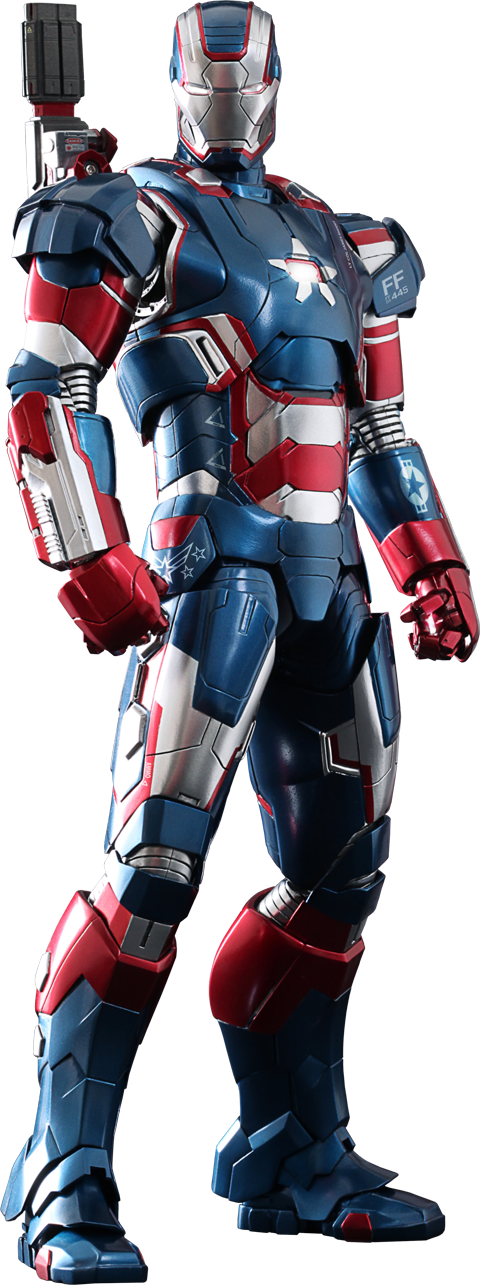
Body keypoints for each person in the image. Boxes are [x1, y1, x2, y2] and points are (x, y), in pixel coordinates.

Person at [3, 3, 477, 1279]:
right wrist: (86, 551)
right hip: (210, 573)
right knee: (156, 864)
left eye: (252, 71)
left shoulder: (342, 240)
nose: (234, 90)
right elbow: (45, 385)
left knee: (336, 879)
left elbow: (376, 433)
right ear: (181, 82)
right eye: (215, 72)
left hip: (330, 590)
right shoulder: (132, 211)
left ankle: (290, 1145)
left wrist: (426, 562)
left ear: (274, 86)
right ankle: (63, 1169)